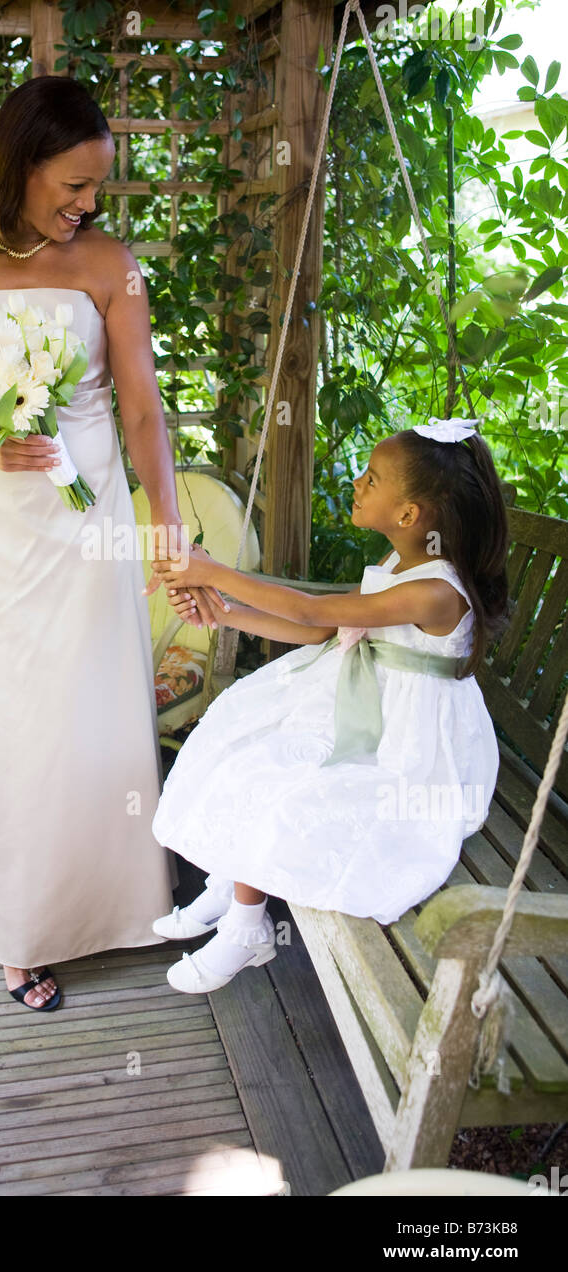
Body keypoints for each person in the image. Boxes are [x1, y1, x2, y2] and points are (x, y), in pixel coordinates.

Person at [0, 76, 211, 1011]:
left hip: (87, 518)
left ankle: (111, 904)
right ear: (20, 166)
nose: (88, 204)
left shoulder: (111, 264)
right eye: (72, 184)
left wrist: (165, 515)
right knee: (5, 725)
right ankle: (19, 926)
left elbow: (141, 403)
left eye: (96, 186)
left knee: (90, 708)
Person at [148, 416, 510, 993]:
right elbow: (321, 632)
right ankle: (231, 878)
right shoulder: (401, 565)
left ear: (410, 514)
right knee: (243, 739)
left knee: (285, 782)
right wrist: (223, 610)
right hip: (361, 701)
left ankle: (249, 930)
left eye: (372, 478)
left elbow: (314, 614)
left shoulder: (435, 590)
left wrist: (213, 571)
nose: (358, 484)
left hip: (408, 740)